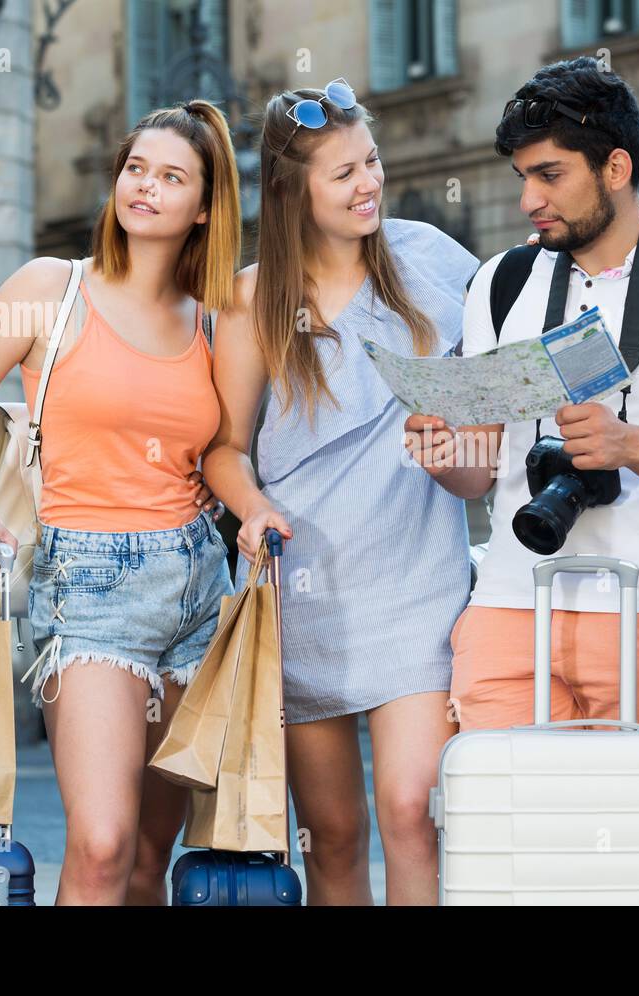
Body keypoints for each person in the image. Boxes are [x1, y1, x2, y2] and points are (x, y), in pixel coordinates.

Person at [0, 100, 241, 905]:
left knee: (149, 856)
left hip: (200, 583)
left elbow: (224, 453)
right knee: (100, 845)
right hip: (89, 589)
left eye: (172, 177)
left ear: (204, 207)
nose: (145, 187)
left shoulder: (211, 319)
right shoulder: (51, 288)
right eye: (136, 168)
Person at [410, 56, 639, 731]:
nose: (529, 201)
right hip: (510, 599)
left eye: (550, 176)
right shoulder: (501, 280)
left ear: (616, 167)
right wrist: (441, 452)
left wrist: (627, 444)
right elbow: (478, 473)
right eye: (523, 178)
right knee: (502, 826)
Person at [202, 80, 479, 905]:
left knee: (411, 810)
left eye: (373, 162)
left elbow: (478, 448)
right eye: (343, 173)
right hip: (307, 588)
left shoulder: (431, 257)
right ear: (293, 191)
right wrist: (251, 508)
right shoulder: (253, 300)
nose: (369, 184)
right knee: (333, 839)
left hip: (419, 578)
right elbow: (222, 449)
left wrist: (452, 453)